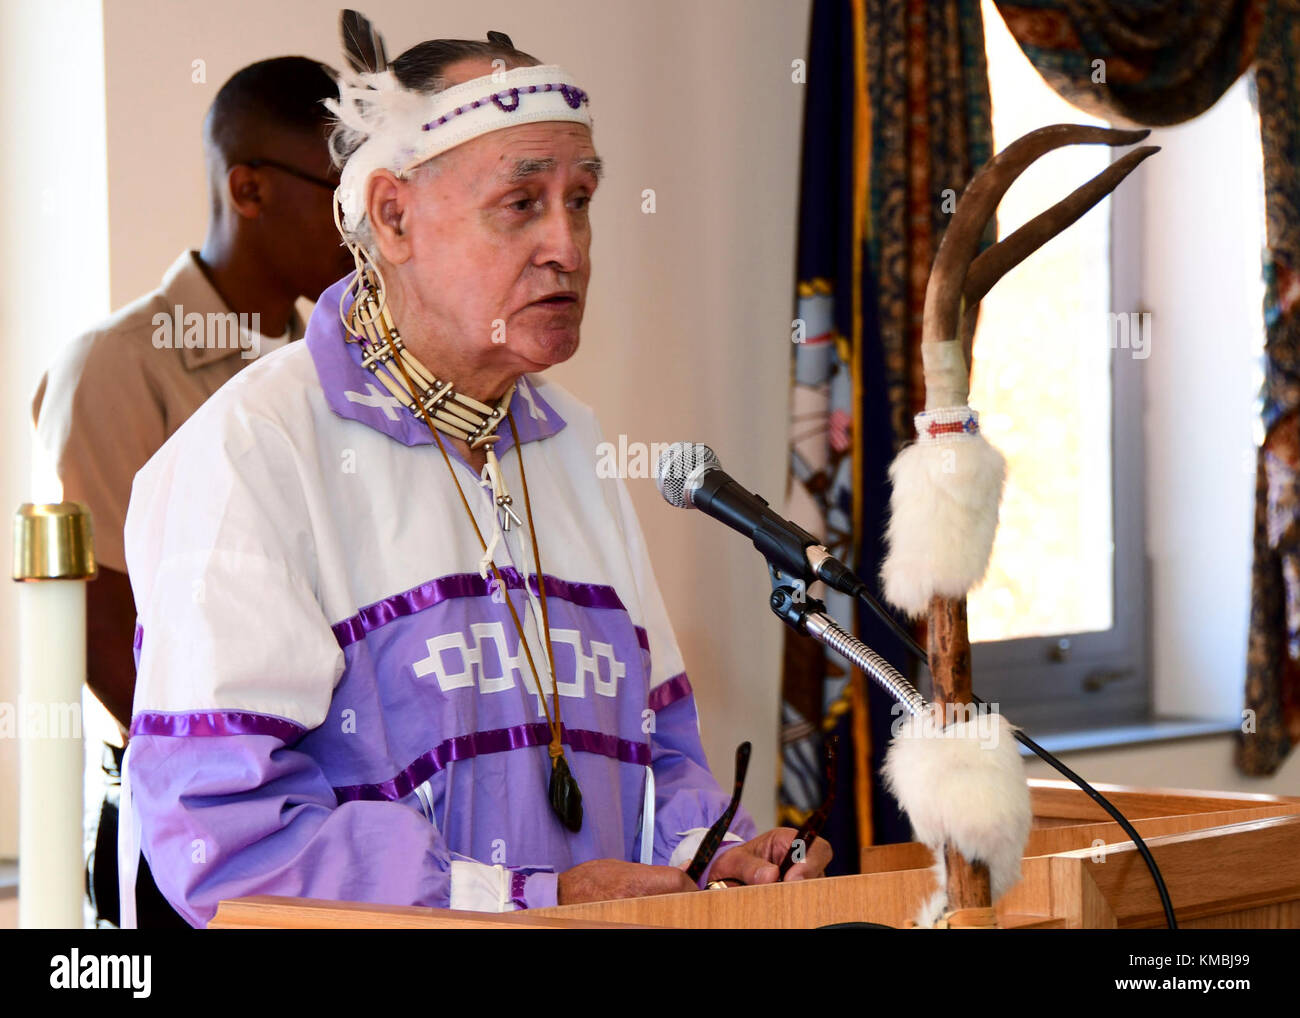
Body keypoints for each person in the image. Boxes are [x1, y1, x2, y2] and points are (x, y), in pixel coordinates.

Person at [119, 15, 831, 928]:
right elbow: (230, 843)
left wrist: (714, 856)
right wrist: (525, 899)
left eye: (581, 200)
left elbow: (655, 766)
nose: (568, 247)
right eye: (522, 203)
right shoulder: (253, 452)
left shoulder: (572, 445)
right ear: (394, 216)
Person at [31, 55, 351, 927]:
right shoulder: (117, 362)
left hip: (334, 817)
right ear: (247, 188)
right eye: (338, 188)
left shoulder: (335, 378)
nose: (362, 223)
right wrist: (239, 778)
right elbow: (94, 615)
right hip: (191, 824)